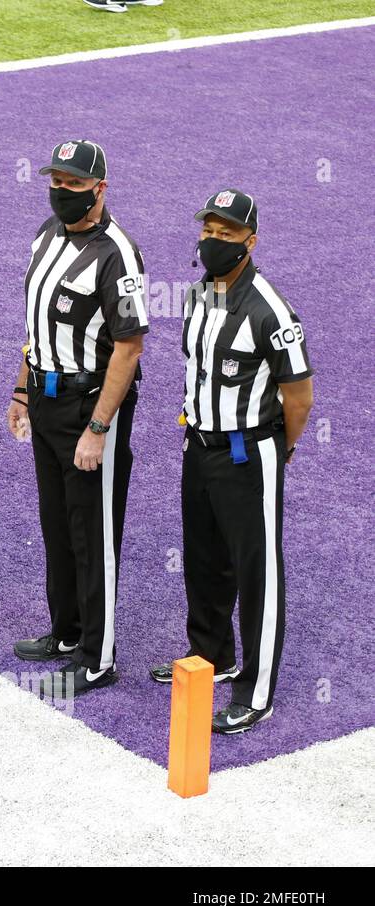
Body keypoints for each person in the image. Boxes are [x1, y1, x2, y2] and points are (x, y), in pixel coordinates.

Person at [149, 189, 313, 734]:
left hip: (249, 451)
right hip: (198, 446)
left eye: (227, 234)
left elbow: (299, 396)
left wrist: (279, 450)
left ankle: (257, 692)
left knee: (257, 570)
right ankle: (212, 657)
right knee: (204, 558)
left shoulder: (269, 308)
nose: (214, 241)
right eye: (209, 231)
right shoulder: (197, 296)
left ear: (251, 240)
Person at [7, 139, 147, 696]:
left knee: (93, 532)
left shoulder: (118, 253)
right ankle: (66, 631)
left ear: (100, 188)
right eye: (57, 181)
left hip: (89, 404)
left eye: (73, 183)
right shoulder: (46, 235)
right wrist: (22, 393)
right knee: (58, 524)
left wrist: (98, 427)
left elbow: (129, 347)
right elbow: (35, 328)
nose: (62, 191)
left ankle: (98, 655)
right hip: (45, 397)